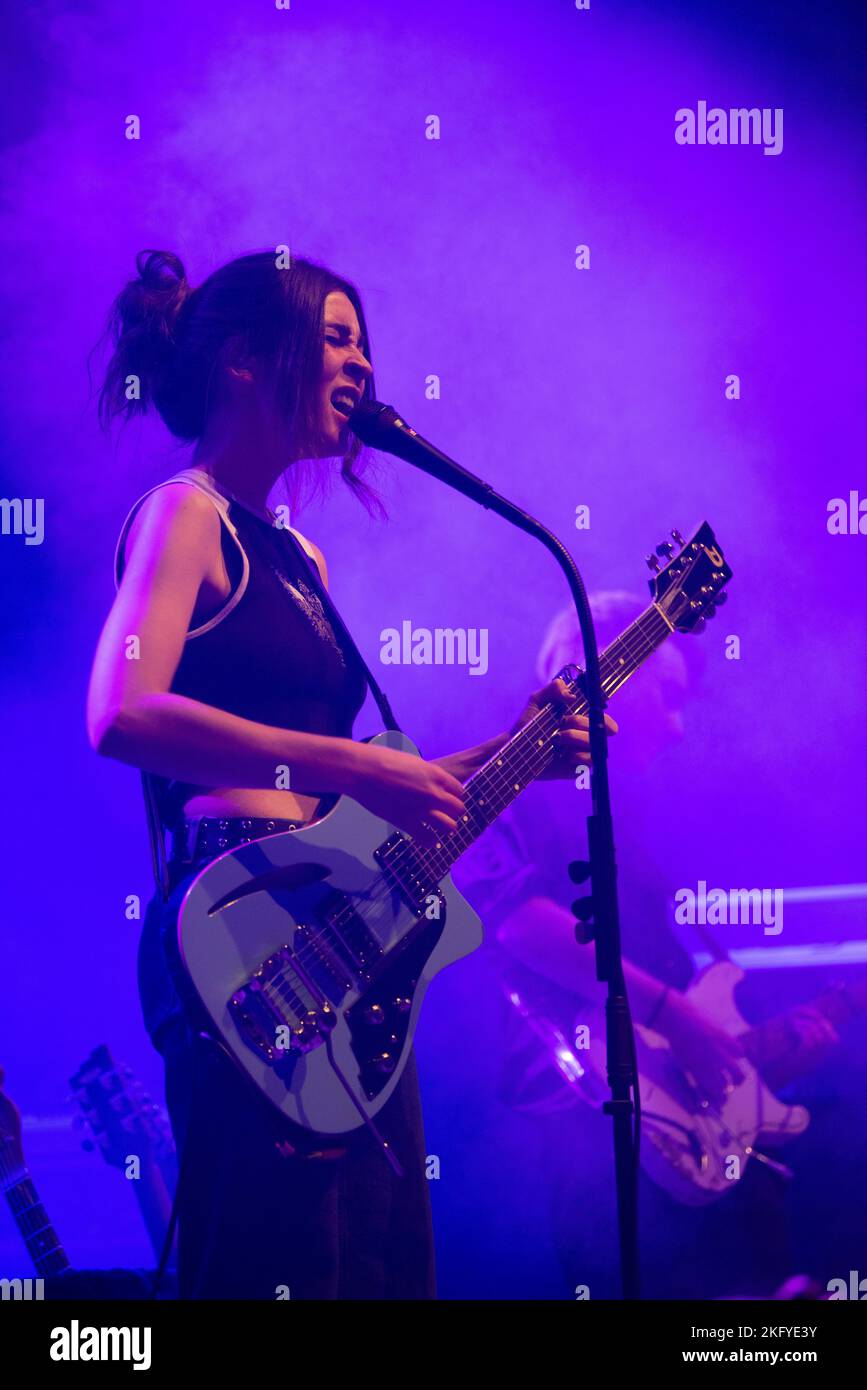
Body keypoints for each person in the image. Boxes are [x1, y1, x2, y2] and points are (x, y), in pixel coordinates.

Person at [86, 248, 613, 1300]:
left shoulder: (300, 558)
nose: (363, 363)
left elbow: (339, 795)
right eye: (334, 335)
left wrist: (512, 761)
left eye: (362, 340)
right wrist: (344, 766)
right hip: (238, 932)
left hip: (337, 944)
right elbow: (122, 712)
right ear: (244, 358)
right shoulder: (184, 512)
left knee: (371, 1265)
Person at [454, 593, 838, 1298]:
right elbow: (516, 921)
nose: (680, 728)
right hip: (588, 1120)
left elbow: (679, 1028)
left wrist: (754, 1059)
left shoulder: (626, 814)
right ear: (608, 676)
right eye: (667, 697)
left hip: (680, 1139)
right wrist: (675, 1015)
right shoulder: (516, 784)